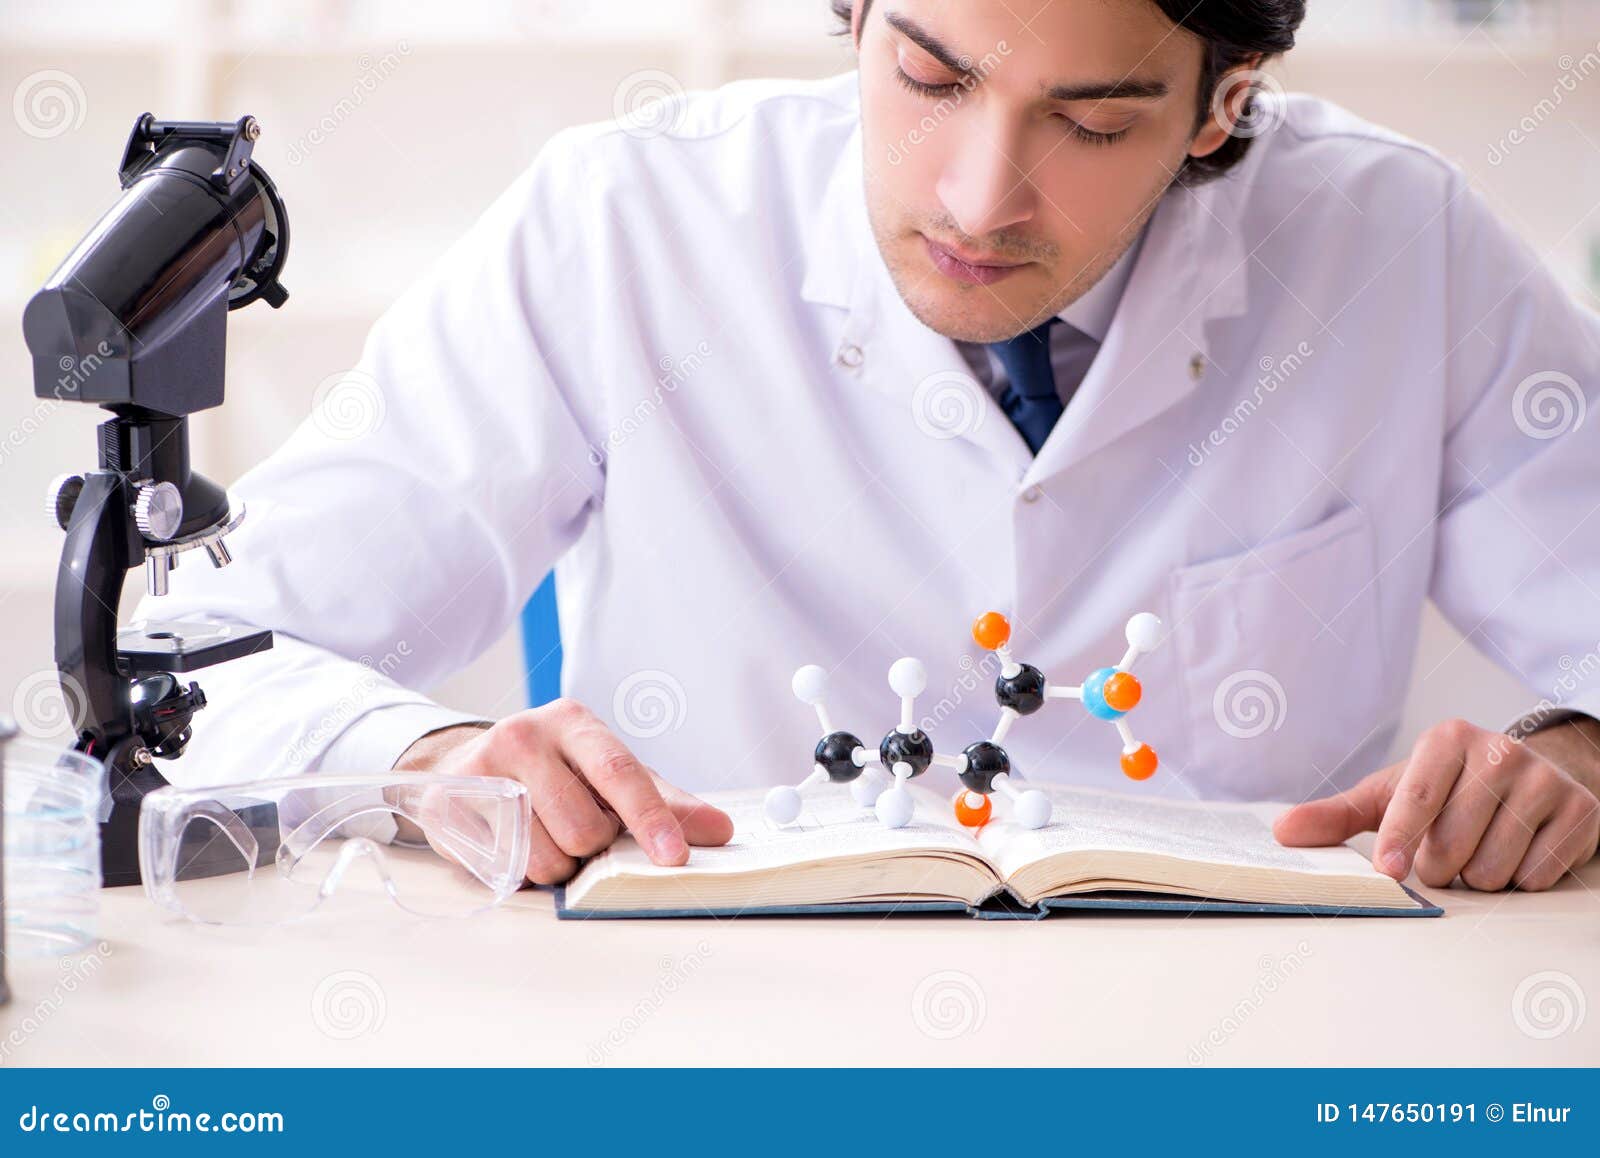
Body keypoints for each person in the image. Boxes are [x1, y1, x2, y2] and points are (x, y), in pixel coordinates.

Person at [151, 0, 1600, 891]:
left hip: (1242, 1062)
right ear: (854, 15)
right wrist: (431, 755)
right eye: (928, 77)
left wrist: (1575, 759)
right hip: (707, 1048)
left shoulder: (1396, 246)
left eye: (1091, 122)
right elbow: (182, 652)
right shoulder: (624, 226)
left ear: (1227, 103)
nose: (979, 200)